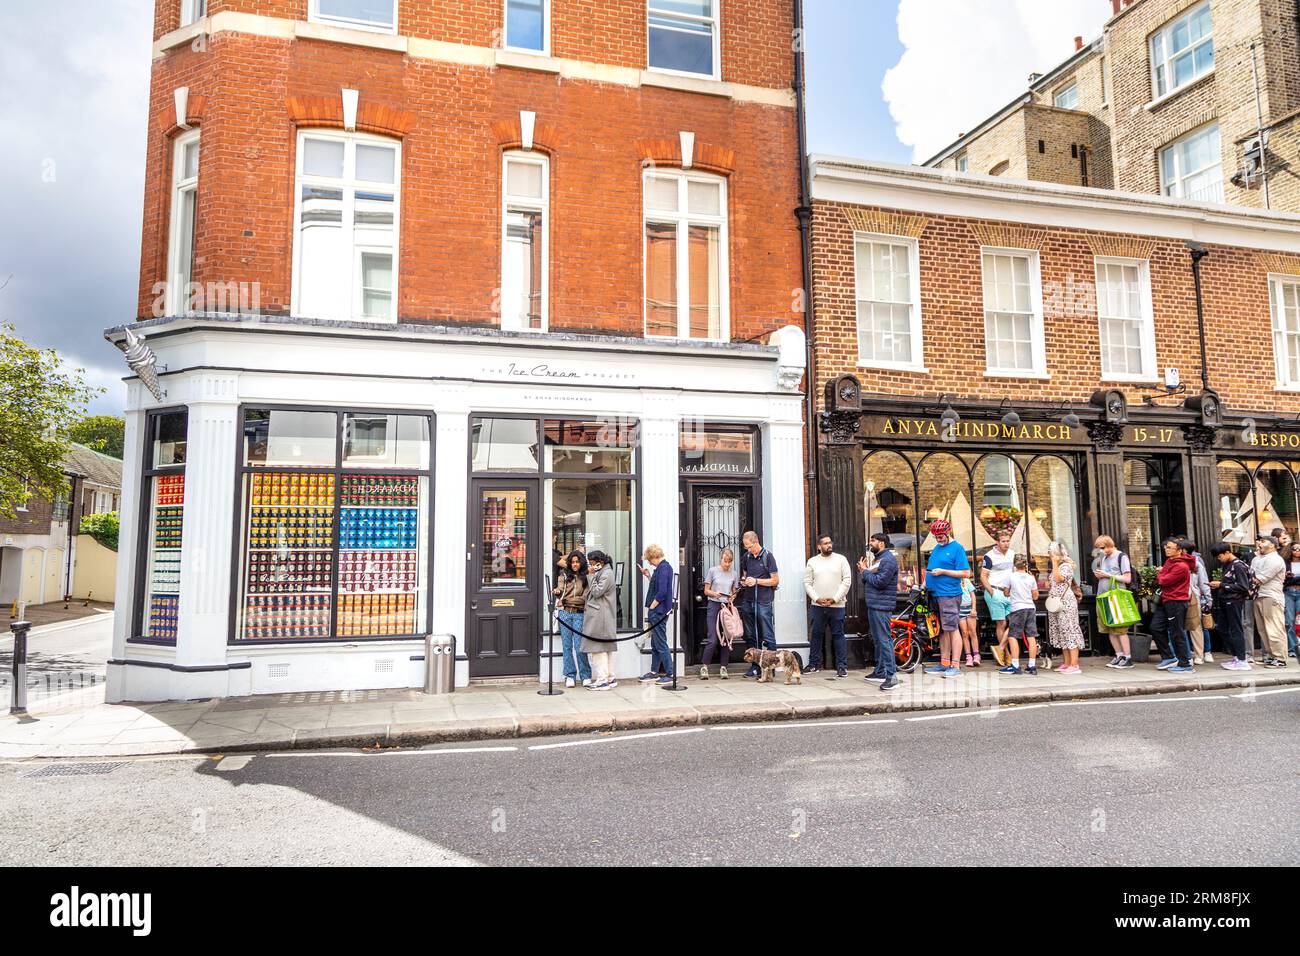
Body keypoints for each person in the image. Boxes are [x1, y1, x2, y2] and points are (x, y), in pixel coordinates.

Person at [922, 519, 970, 678]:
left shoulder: (957, 548)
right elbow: (930, 569)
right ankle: (944, 663)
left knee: (952, 629)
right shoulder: (937, 548)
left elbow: (966, 573)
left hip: (948, 594)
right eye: (936, 537)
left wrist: (943, 571)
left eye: (941, 536)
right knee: (942, 630)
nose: (938, 539)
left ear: (948, 532)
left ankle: (955, 665)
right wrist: (924, 583)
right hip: (935, 594)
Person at [804, 533, 853, 677]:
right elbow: (807, 583)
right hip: (817, 606)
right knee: (816, 635)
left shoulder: (841, 559)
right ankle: (814, 664)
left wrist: (835, 599)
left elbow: (847, 580)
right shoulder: (812, 561)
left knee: (838, 635)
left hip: (837, 605)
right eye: (825, 543)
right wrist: (817, 598)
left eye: (830, 542)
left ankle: (842, 666)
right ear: (819, 547)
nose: (829, 545)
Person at [859, 533, 900, 691]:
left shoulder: (888, 560)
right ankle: (881, 671)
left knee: (884, 640)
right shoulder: (879, 559)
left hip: (881, 606)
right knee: (878, 639)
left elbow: (880, 582)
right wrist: (864, 572)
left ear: (882, 543)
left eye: (873, 541)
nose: (870, 543)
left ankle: (892, 677)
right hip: (874, 604)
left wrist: (865, 572)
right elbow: (866, 580)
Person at [737, 531, 780, 678]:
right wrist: (744, 581)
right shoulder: (746, 557)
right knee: (750, 635)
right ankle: (755, 666)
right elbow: (744, 575)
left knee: (767, 635)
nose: (748, 549)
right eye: (746, 547)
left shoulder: (768, 556)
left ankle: (771, 667)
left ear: (756, 542)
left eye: (749, 546)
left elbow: (775, 580)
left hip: (764, 601)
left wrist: (756, 581)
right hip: (748, 600)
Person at [1155, 537, 1196, 673]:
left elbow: (1163, 580)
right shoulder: (1170, 561)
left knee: (1177, 633)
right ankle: (1169, 657)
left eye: (1169, 548)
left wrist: (1160, 573)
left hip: (1176, 602)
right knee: (1155, 627)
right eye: (1166, 547)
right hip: (1166, 600)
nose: (1166, 549)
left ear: (1179, 551)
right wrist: (1162, 573)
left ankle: (1185, 664)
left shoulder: (1181, 566)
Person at [1093, 535, 1134, 668]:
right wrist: (1100, 575)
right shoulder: (1103, 558)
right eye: (1099, 549)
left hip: (1116, 597)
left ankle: (1127, 657)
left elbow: (1127, 578)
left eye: (1102, 548)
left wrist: (1107, 575)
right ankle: (1119, 655)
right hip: (1103, 596)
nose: (1101, 551)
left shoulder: (1121, 557)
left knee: (1120, 629)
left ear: (1110, 545)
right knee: (1109, 628)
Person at [552, 550, 592, 688]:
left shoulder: (586, 576)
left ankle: (585, 675)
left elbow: (585, 597)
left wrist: (566, 600)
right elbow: (560, 591)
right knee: (567, 646)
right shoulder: (563, 575)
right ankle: (570, 675)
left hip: (579, 613)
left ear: (581, 563)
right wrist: (558, 593)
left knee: (579, 646)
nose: (575, 564)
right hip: (565, 613)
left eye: (577, 562)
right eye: (573, 562)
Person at [1209, 543, 1252, 671]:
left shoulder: (1238, 565)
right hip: (1226, 600)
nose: (1219, 559)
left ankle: (1242, 659)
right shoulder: (1228, 564)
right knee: (1222, 628)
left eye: (1220, 556)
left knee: (1236, 629)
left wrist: (1221, 585)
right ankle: (1237, 656)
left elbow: (1243, 586)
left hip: (1234, 601)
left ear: (1227, 552)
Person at [1046, 540, 1085, 674]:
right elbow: (1053, 582)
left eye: (1051, 552)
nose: (1049, 554)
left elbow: (1059, 579)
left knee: (1069, 630)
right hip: (1056, 603)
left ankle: (1074, 664)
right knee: (1062, 632)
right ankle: (1066, 663)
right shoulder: (1057, 566)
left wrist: (1054, 563)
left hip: (1066, 603)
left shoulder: (1066, 566)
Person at [638, 544, 675, 685]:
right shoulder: (661, 568)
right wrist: (648, 576)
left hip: (658, 611)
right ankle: (654, 672)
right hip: (658, 610)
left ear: (654, 556)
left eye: (649, 560)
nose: (649, 562)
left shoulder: (664, 568)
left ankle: (670, 673)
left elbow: (662, 592)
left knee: (660, 643)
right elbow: (658, 586)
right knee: (655, 642)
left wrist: (653, 607)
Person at [699, 548, 739, 680]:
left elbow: (734, 591)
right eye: (725, 561)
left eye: (729, 562)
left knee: (726, 637)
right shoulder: (712, 571)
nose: (727, 564)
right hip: (714, 605)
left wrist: (732, 597)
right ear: (720, 559)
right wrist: (714, 594)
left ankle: (723, 667)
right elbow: (706, 591)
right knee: (712, 639)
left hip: (726, 607)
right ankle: (704, 667)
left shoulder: (734, 573)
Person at [581, 550, 619, 690]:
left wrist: (591, 576)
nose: (591, 566)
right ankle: (610, 678)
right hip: (602, 615)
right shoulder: (605, 572)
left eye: (592, 563)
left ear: (600, 562)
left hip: (600, 616)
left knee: (597, 648)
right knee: (606, 648)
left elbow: (597, 592)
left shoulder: (606, 574)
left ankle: (602, 680)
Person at [1250, 534, 1289, 668]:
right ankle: (1272, 656)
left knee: (1274, 628)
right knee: (1263, 629)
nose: (1259, 543)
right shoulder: (1256, 559)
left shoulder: (1275, 559)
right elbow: (1251, 576)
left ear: (1272, 545)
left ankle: (1280, 658)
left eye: (1263, 541)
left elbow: (1259, 579)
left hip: (1271, 596)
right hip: (1258, 595)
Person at [999, 554, 1040, 675]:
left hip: (1017, 608)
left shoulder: (1010, 576)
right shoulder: (1031, 577)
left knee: (1012, 636)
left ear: (1014, 564)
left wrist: (1011, 592)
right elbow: (1035, 596)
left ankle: (1015, 665)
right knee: (1031, 636)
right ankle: (1032, 666)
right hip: (1030, 608)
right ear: (1026, 565)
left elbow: (1006, 593)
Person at [980, 530, 1016, 665]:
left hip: (1010, 593)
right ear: (997, 542)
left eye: (1008, 541)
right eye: (1003, 541)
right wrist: (992, 592)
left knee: (1016, 621)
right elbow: (983, 576)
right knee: (1002, 623)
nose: (1006, 543)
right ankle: (1006, 654)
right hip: (995, 591)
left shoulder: (1012, 554)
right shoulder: (989, 556)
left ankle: (1000, 648)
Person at [1183, 540, 1213, 665]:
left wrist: (1208, 599)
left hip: (1193, 596)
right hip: (1178, 597)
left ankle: (1199, 654)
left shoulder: (1196, 563)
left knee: (1196, 626)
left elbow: (1203, 582)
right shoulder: (1172, 563)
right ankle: (1186, 655)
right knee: (1181, 628)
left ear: (1183, 550)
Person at [1276, 528, 1300, 662]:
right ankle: (1292, 648)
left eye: (1299, 549)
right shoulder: (1286, 563)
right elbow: (1282, 579)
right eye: (1294, 549)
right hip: (1289, 592)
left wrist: (1293, 578)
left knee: (1299, 621)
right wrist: (1288, 577)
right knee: (1289, 621)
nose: (1296, 551)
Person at [959, 574, 981, 667]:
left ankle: (976, 655)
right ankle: (968, 656)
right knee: (964, 633)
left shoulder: (966, 581)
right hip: (959, 609)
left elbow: (973, 595)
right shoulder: (953, 582)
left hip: (969, 608)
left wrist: (974, 608)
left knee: (973, 632)